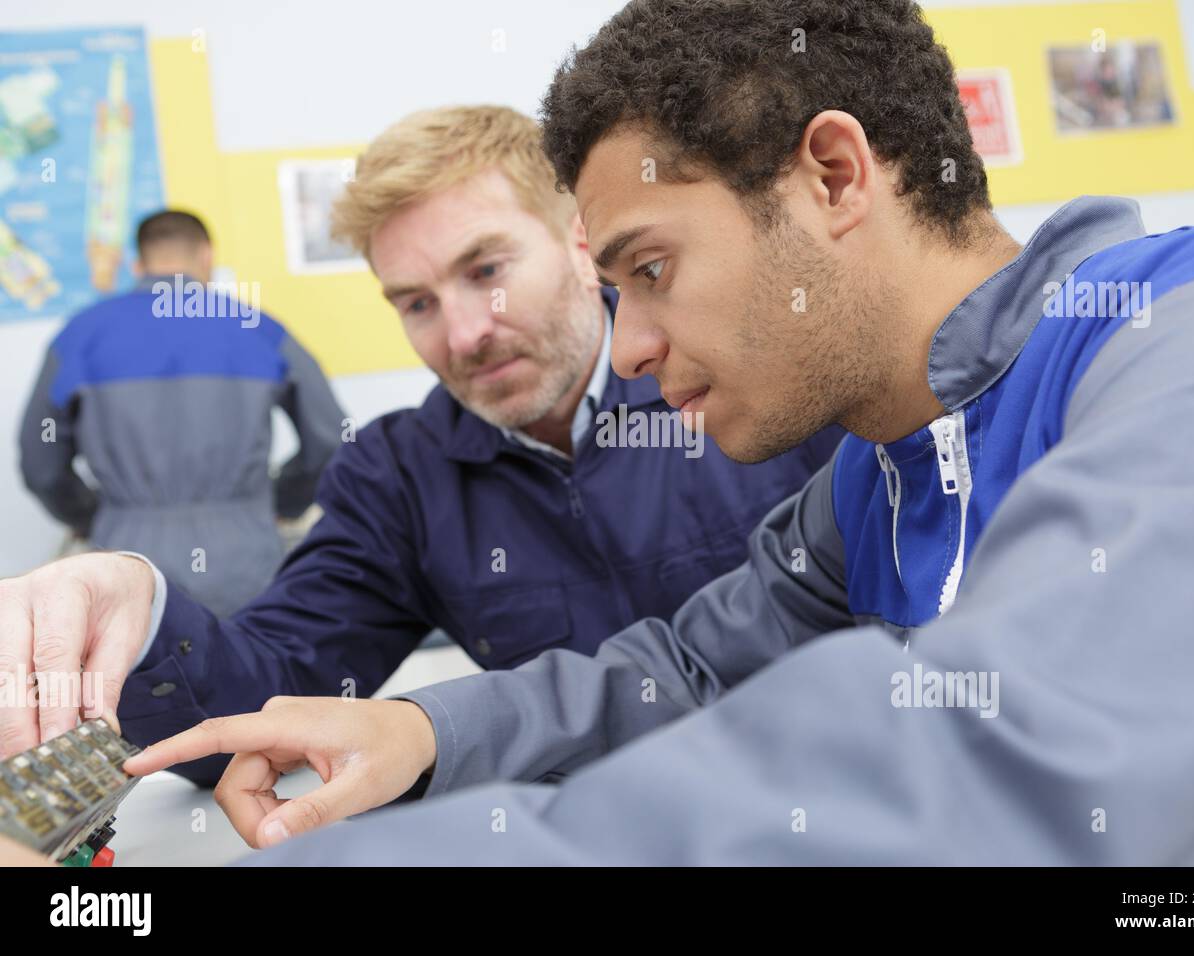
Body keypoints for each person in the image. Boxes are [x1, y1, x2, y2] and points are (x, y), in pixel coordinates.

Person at [123, 0, 1194, 865]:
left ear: (834, 175)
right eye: (415, 302)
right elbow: (678, 673)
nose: (627, 346)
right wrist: (419, 728)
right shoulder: (867, 481)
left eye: (647, 267)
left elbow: (1002, 762)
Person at [0, 106, 841, 783]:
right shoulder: (400, 480)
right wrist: (140, 605)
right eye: (416, 303)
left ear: (581, 244)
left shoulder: (753, 380)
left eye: (486, 270)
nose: (465, 334)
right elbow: (261, 711)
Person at [19, 210, 343, 617]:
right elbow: (331, 438)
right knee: (251, 675)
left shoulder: (81, 336)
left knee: (139, 678)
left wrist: (91, 515)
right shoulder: (259, 329)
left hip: (129, 559)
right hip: (245, 557)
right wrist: (282, 501)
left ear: (139, 264)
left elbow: (40, 462)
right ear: (206, 256)